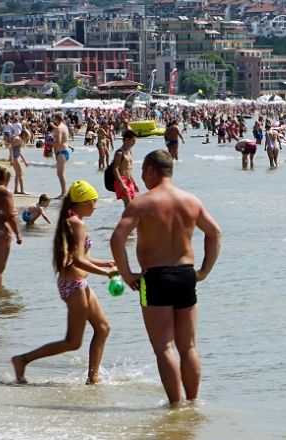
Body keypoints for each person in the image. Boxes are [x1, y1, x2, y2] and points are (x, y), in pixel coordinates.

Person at [110, 150, 223, 406]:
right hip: (185, 275)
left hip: (155, 278)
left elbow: (117, 237)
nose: (142, 177)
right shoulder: (191, 200)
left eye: (142, 172)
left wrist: (127, 274)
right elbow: (215, 233)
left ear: (151, 171)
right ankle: (193, 403)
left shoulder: (141, 203)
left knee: (165, 347)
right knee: (189, 346)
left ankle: (175, 406)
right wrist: (204, 271)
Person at [12, 181, 116, 385]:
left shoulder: (72, 220)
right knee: (73, 342)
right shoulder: (77, 223)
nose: (95, 206)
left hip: (79, 284)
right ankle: (22, 360)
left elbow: (81, 256)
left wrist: (105, 262)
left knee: (103, 328)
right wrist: (106, 274)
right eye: (93, 202)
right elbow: (77, 260)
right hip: (73, 285)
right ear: (84, 202)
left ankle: (93, 378)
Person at [52, 112, 71, 198]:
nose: (53, 120)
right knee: (60, 173)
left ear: (57, 119)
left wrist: (49, 143)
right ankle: (64, 192)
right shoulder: (64, 126)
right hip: (64, 151)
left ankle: (64, 192)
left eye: (54, 118)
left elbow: (58, 142)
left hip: (62, 152)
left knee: (60, 173)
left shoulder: (59, 128)